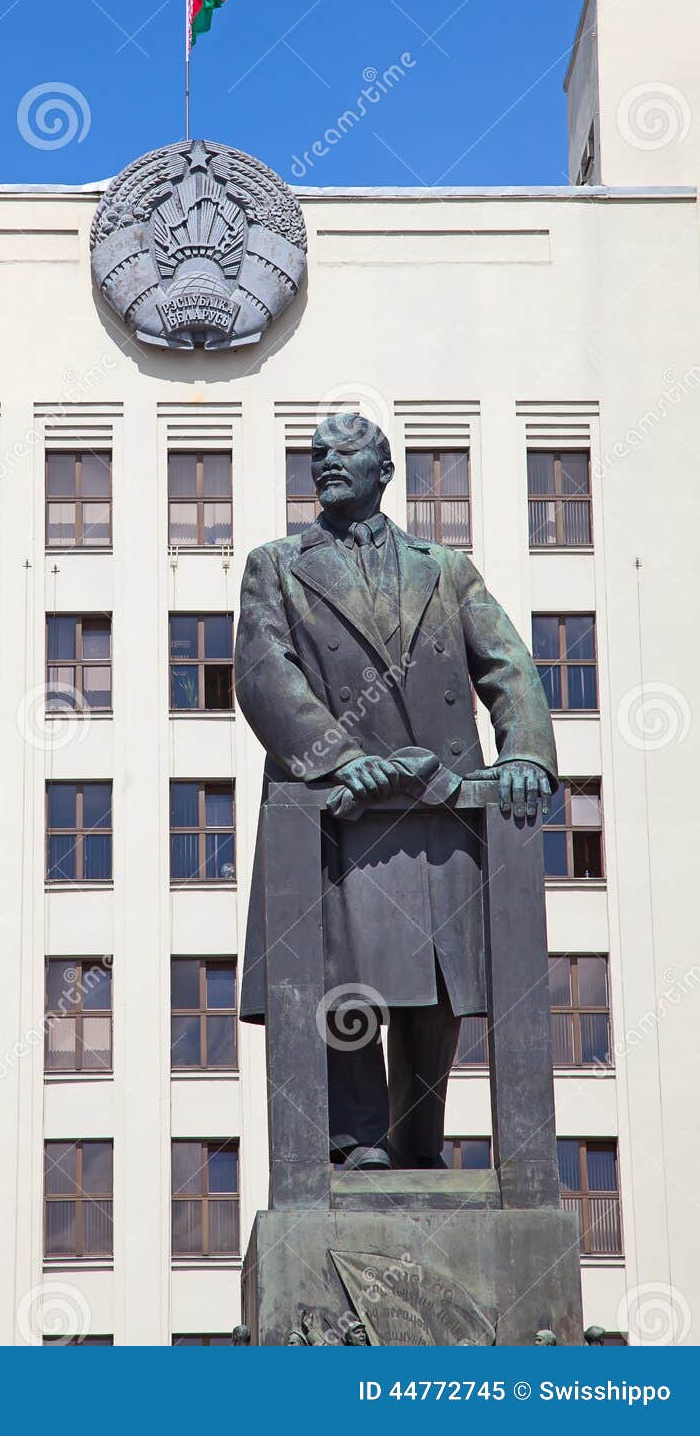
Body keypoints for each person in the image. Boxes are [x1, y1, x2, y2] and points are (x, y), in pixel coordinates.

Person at [235, 412, 557, 1169]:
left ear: (384, 471)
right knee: (346, 977)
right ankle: (359, 1138)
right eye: (316, 453)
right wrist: (340, 757)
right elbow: (264, 672)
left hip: (439, 801)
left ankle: (418, 1138)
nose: (323, 461)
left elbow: (509, 666)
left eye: (343, 451)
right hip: (340, 806)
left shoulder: (444, 568)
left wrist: (527, 757)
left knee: (437, 989)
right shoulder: (277, 565)